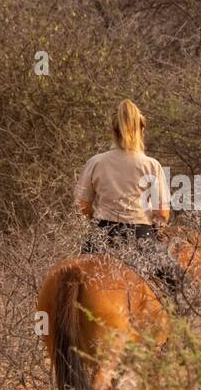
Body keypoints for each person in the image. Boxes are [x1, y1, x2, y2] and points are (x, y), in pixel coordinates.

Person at [75, 99, 183, 298]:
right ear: (141, 129)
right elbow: (162, 213)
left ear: (113, 130)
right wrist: (158, 228)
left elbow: (82, 205)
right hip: (141, 237)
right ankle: (175, 327)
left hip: (102, 235)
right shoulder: (151, 165)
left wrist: (95, 220)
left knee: (72, 281)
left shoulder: (96, 162)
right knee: (175, 277)